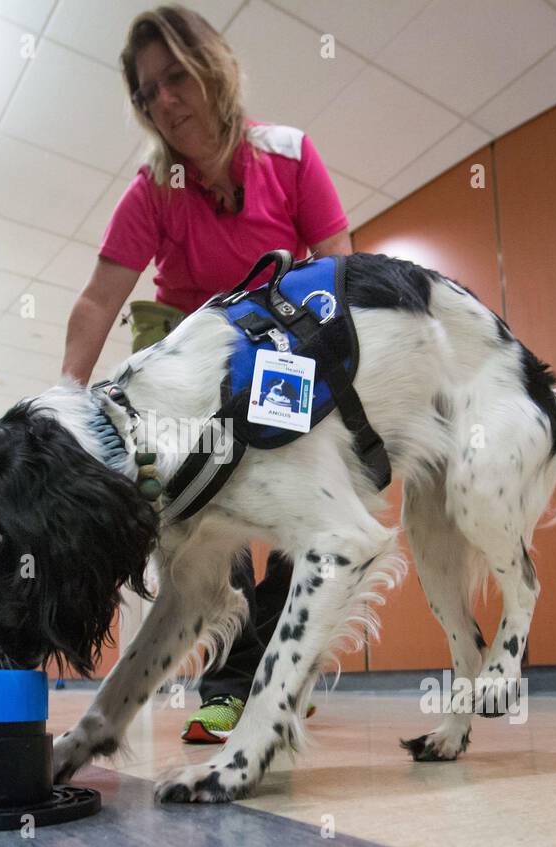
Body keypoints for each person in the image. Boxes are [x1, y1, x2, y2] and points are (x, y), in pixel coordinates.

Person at [60, 4, 352, 743]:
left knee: (298, 514)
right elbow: (98, 301)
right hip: (190, 362)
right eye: (147, 91)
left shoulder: (289, 157)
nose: (163, 100)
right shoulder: (155, 188)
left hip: (280, 347)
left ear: (212, 69)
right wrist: (64, 405)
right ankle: (223, 689)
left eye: (174, 78)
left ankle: (285, 672)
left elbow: (341, 270)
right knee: (207, 528)